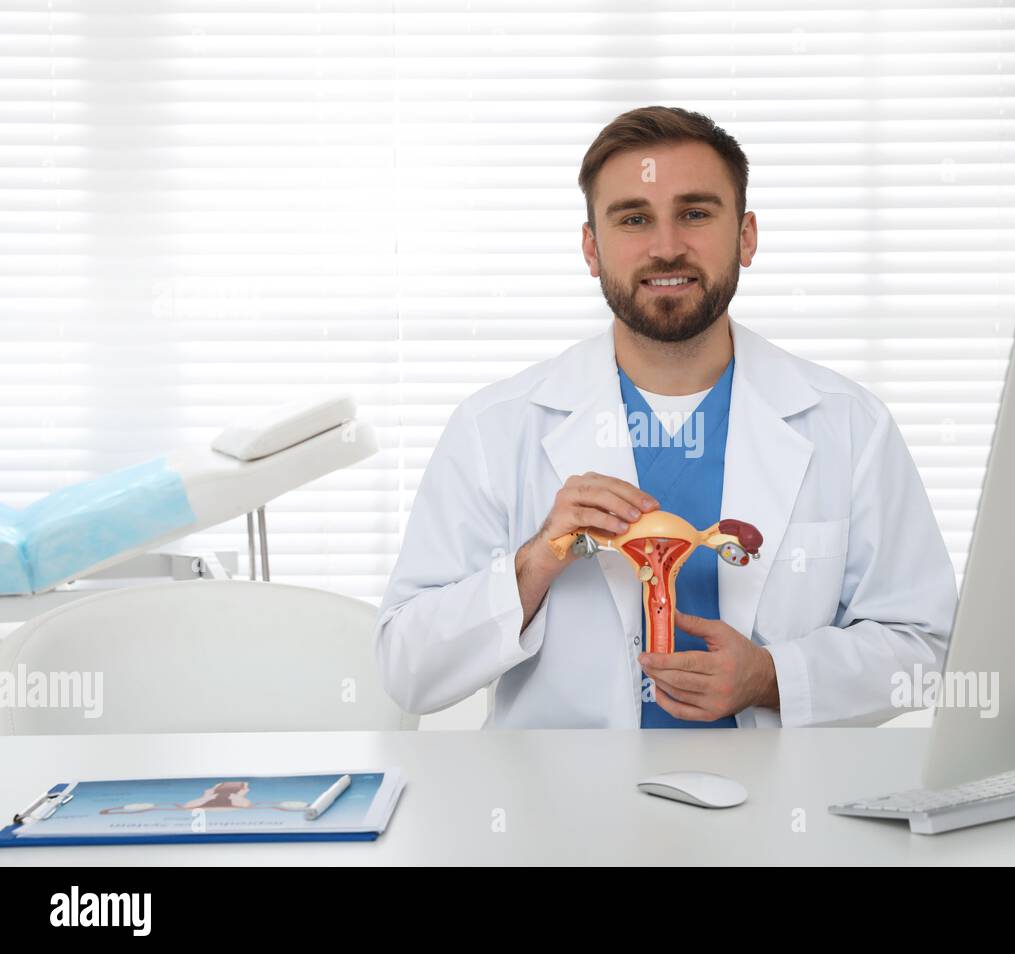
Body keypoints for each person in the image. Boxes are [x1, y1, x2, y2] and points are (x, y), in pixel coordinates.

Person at [376, 105, 956, 729]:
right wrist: (535, 562)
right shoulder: (495, 429)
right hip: (565, 817)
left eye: (696, 214)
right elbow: (408, 670)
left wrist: (773, 677)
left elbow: (926, 649)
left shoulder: (850, 426)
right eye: (633, 219)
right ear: (591, 249)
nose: (666, 247)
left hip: (776, 812)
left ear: (747, 236)